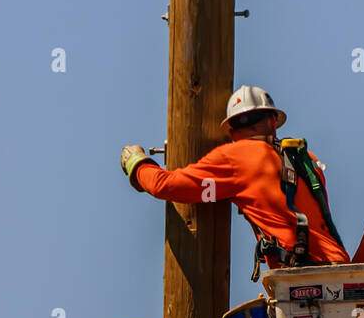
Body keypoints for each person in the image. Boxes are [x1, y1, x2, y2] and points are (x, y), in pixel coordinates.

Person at [120, 86, 348, 274]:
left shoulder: (234, 158)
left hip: (304, 277)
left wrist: (137, 164)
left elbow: (165, 186)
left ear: (231, 131)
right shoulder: (304, 157)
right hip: (344, 270)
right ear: (272, 121)